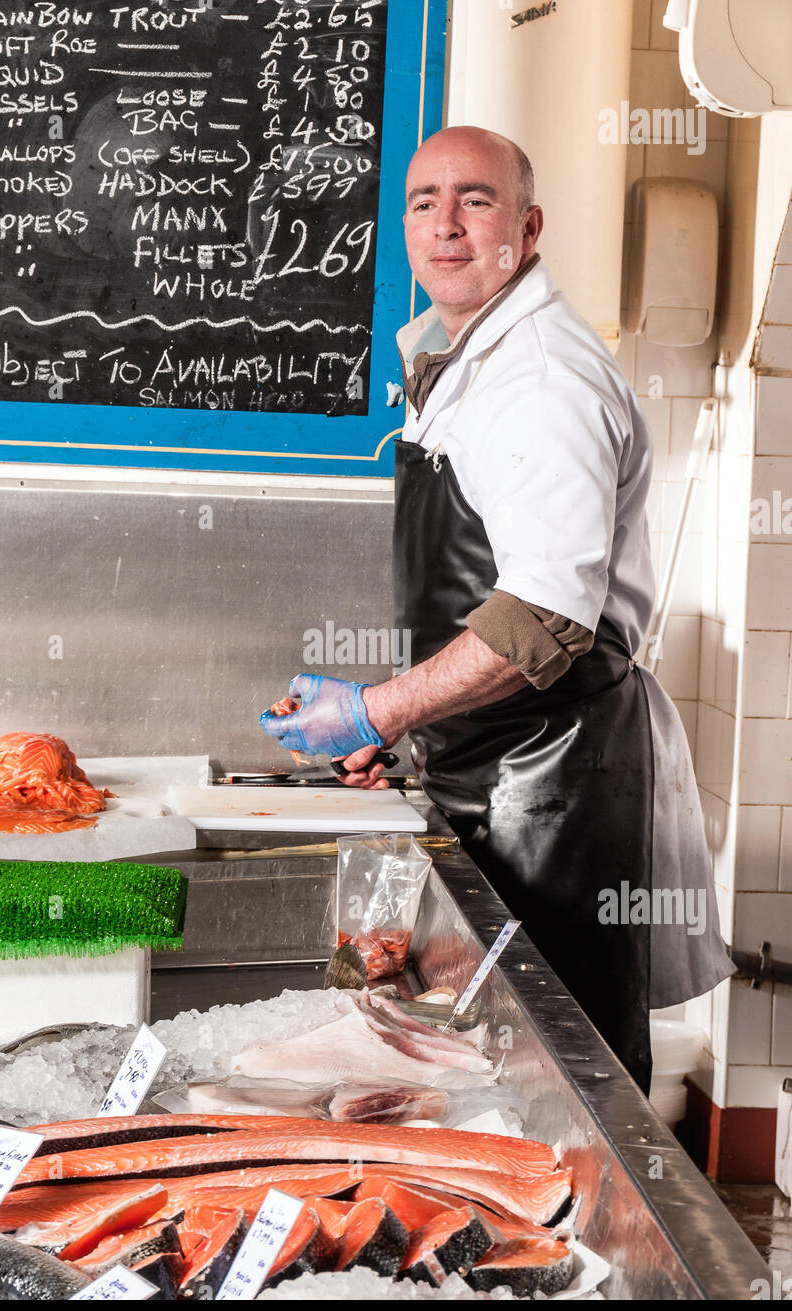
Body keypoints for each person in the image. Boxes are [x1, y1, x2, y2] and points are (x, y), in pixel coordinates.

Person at [260, 126, 733, 1095]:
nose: (445, 225)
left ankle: (602, 1247)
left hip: (553, 781)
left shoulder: (543, 379)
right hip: (492, 758)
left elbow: (546, 617)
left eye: (474, 201)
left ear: (527, 226)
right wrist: (407, 723)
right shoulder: (463, 355)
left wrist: (379, 708)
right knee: (484, 1058)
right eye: (423, 201)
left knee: (559, 1071)